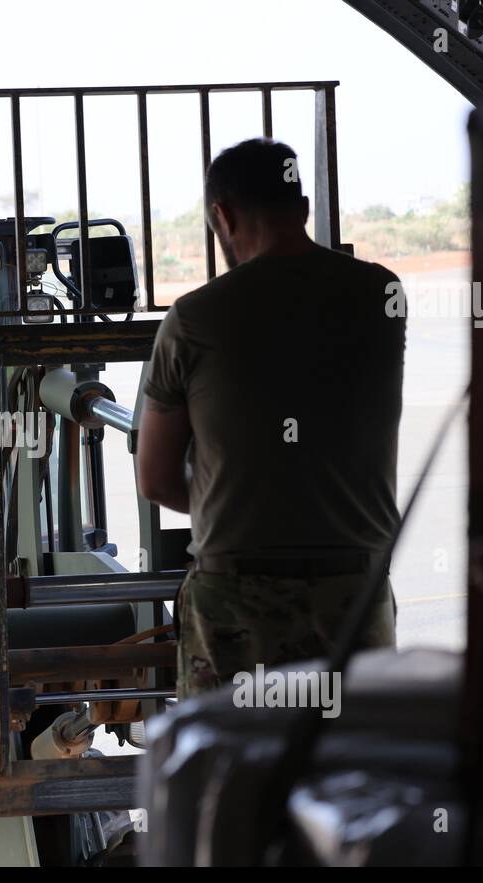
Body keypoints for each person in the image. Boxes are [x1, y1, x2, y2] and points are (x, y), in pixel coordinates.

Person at [135, 137, 405, 700]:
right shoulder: (381, 295)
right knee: (349, 775)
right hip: (354, 590)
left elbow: (156, 479)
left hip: (237, 599)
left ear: (223, 215)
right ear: (303, 209)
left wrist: (236, 494)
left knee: (233, 774)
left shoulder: (193, 319)